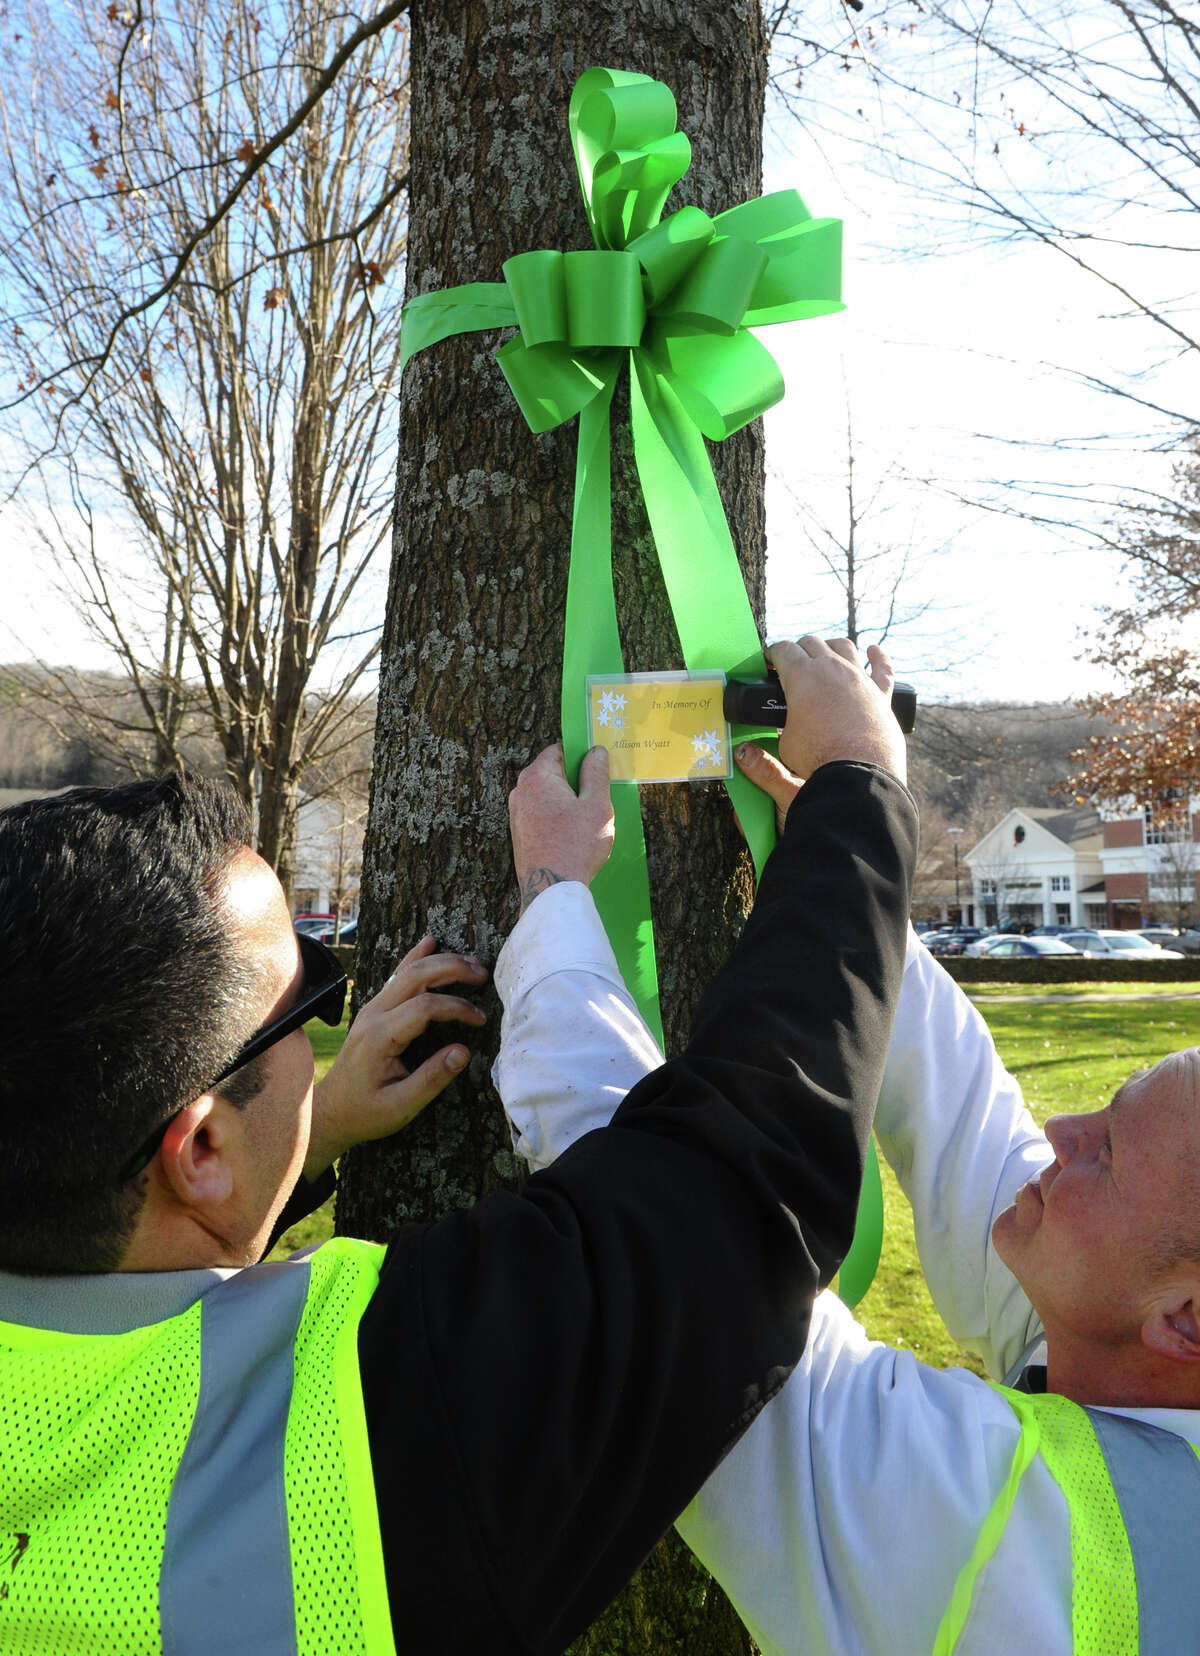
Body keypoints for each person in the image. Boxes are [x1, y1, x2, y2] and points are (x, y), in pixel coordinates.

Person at [0, 635, 916, 1656]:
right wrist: (858, 787)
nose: (322, 1029)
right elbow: (732, 1198)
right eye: (305, 1002)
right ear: (199, 1151)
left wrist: (308, 1131)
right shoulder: (363, 1418)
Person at [495, 706, 1200, 1655]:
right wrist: (847, 865)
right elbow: (965, 1119)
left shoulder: (996, 1526)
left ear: (1183, 1324)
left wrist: (552, 898)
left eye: (1106, 1156)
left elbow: (677, 1261)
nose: (1060, 1134)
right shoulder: (1147, 1370)